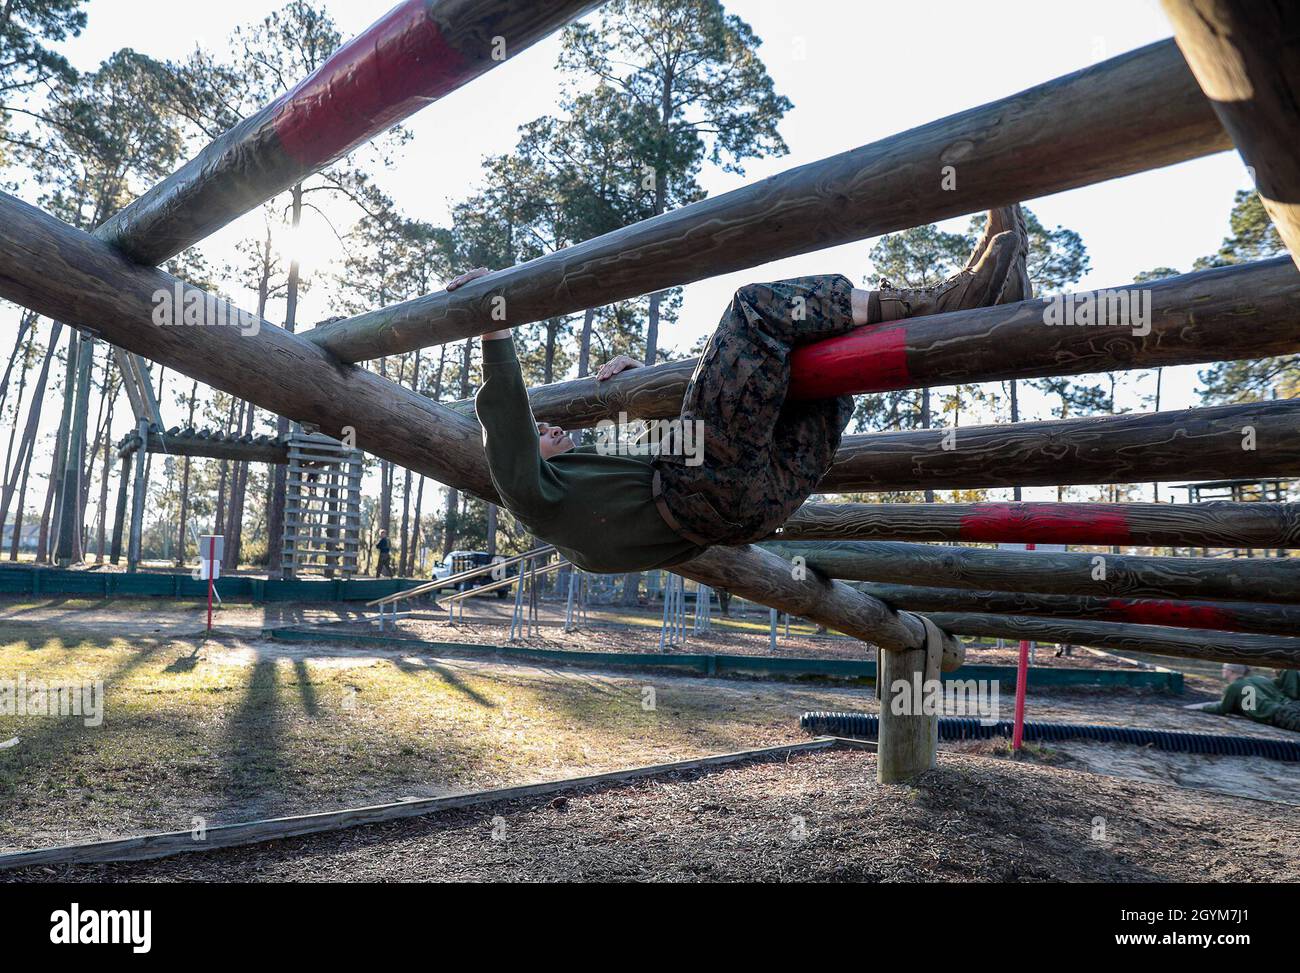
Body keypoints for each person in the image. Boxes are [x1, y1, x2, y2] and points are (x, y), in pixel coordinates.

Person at [467, 206, 1030, 574]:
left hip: (759, 508)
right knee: (756, 310)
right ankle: (937, 304)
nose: (551, 427)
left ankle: (972, 306)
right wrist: (493, 323)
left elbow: (695, 423)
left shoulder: (590, 487)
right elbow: (508, 431)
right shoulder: (537, 498)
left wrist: (642, 379)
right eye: (541, 433)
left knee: (815, 367)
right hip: (705, 489)